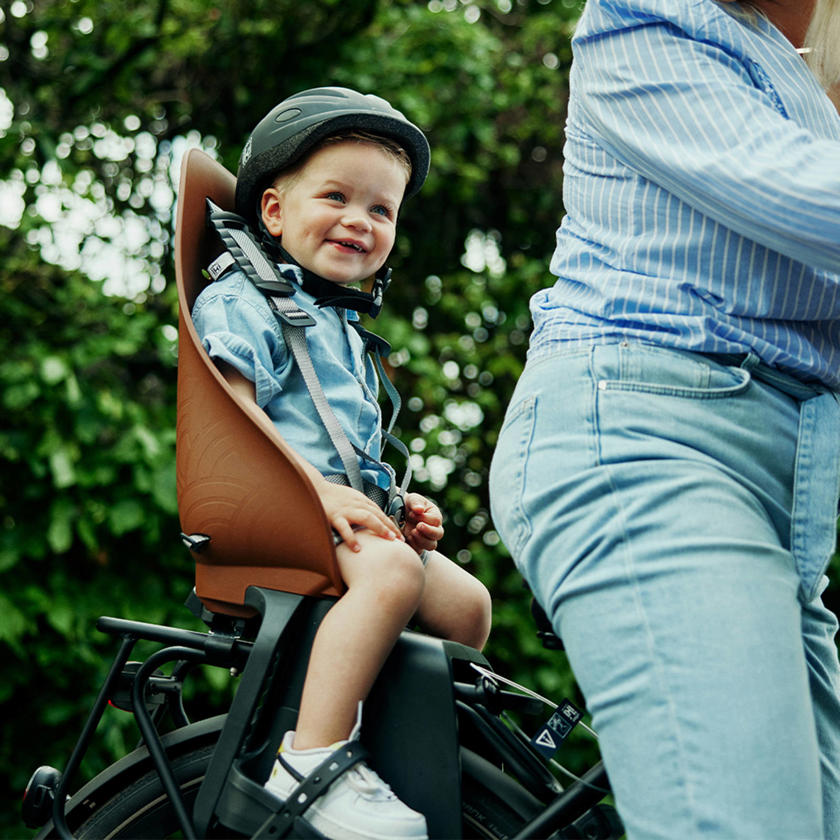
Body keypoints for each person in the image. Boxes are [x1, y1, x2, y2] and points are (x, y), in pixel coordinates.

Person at [489, 1, 840, 838]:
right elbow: (809, 203)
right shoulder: (643, 17)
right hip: (649, 441)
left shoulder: (791, 65)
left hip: (787, 494)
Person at [192, 87, 492, 840]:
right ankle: (313, 760)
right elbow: (232, 419)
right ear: (272, 212)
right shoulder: (246, 302)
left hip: (328, 511)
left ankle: (386, 730)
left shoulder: (337, 322)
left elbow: (344, 447)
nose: (361, 220)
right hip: (272, 507)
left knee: (466, 606)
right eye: (336, 196)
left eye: (382, 210)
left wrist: (394, 511)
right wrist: (314, 495)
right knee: (389, 576)